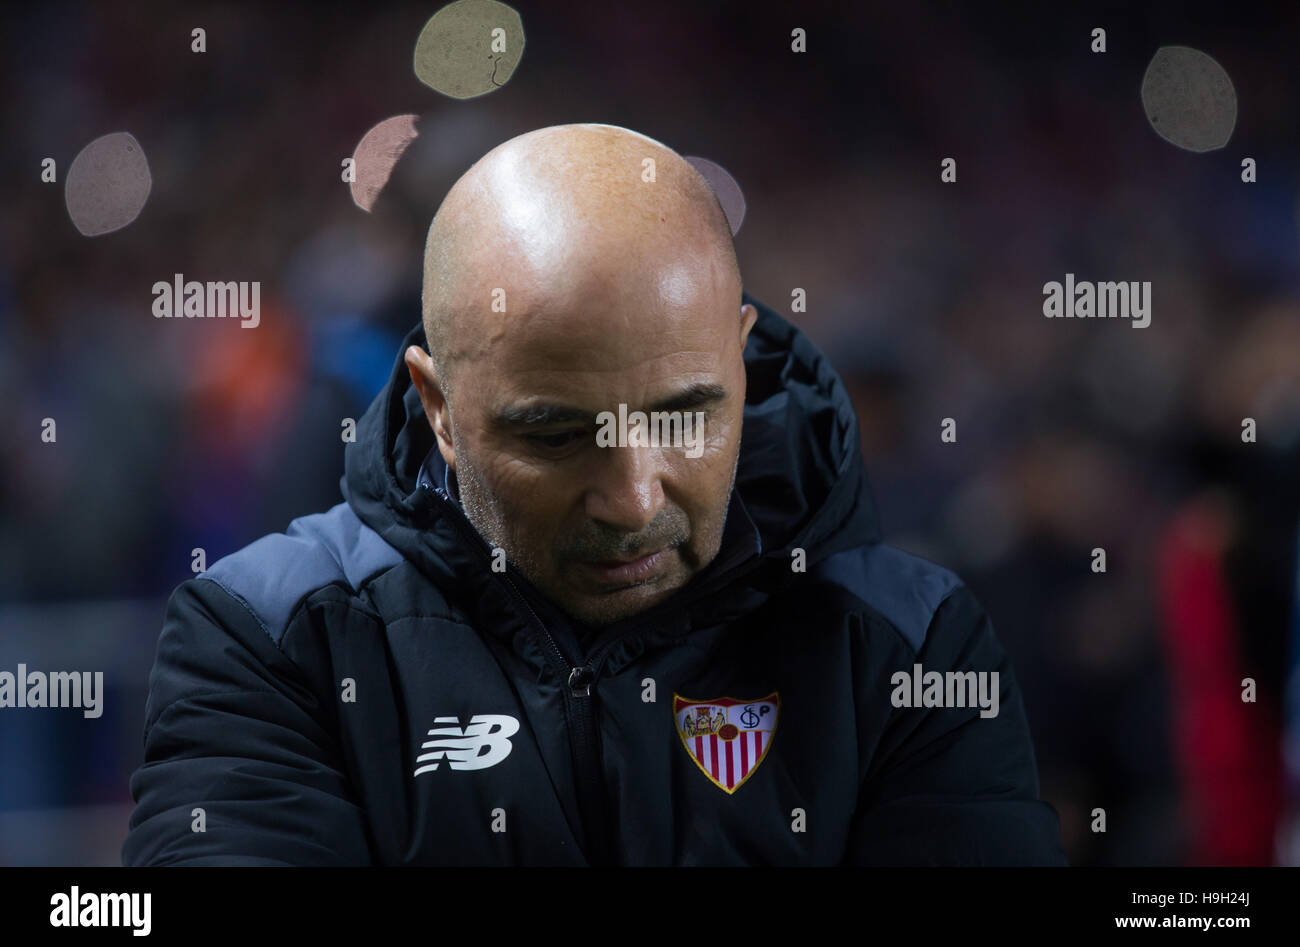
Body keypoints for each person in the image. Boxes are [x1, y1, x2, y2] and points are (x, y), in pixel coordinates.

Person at [122, 123, 1065, 865]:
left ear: (739, 367)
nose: (631, 497)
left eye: (686, 416)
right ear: (439, 407)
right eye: (557, 435)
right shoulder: (268, 637)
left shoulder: (912, 645)